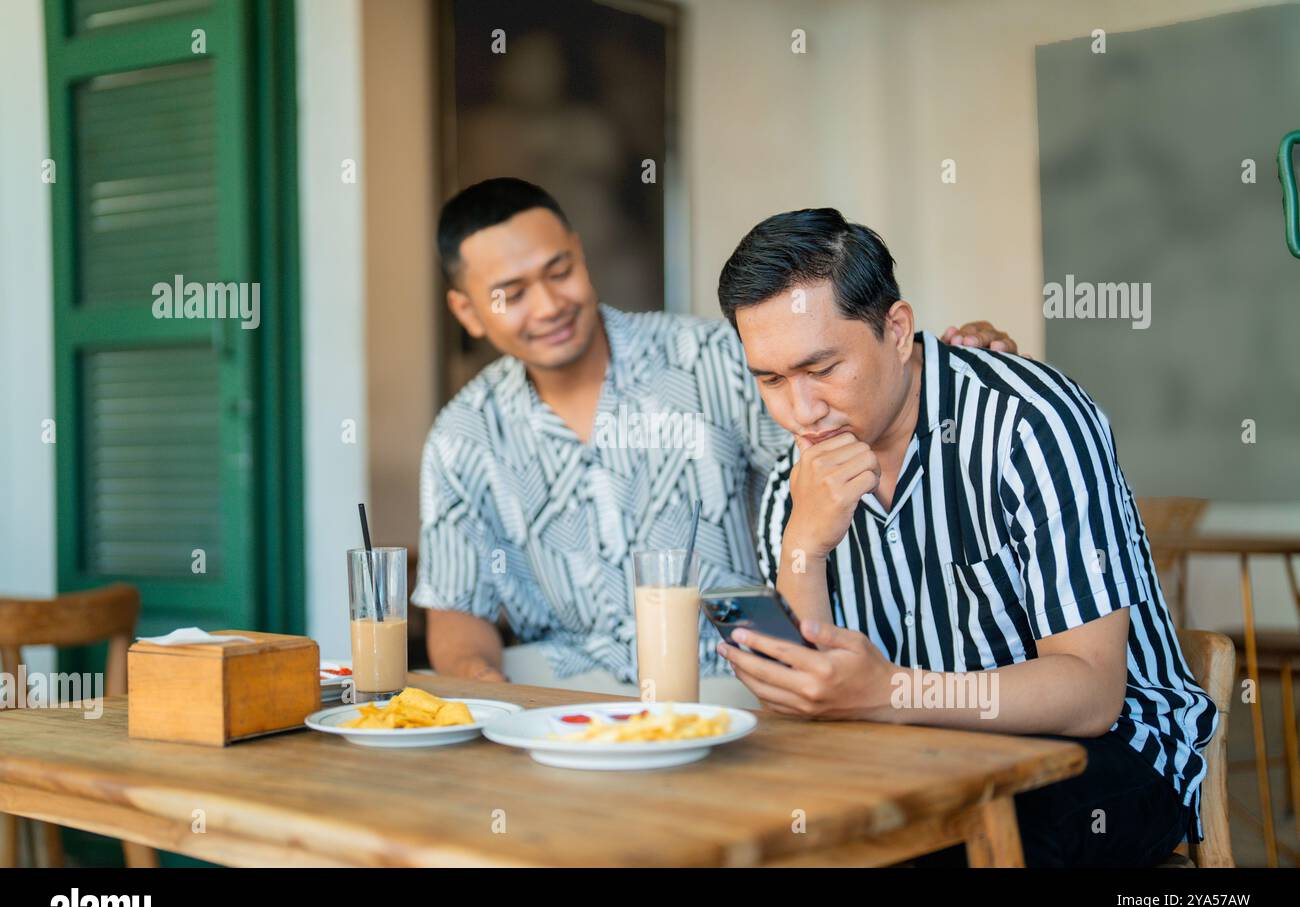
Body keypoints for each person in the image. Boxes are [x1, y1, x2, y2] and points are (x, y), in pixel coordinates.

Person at [715, 207, 1217, 866]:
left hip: (1107, 752)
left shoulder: (1029, 425)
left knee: (933, 848)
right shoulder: (793, 482)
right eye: (771, 379)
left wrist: (890, 692)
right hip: (914, 755)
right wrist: (802, 547)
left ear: (896, 330)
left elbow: (1092, 694)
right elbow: (811, 709)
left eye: (823, 368)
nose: (800, 411)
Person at [412, 178, 1019, 702]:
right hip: (561, 695)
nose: (548, 305)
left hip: (731, 682)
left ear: (581, 254)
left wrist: (939, 370)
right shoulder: (461, 437)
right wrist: (489, 696)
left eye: (559, 270)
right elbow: (457, 612)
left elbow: (841, 438)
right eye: (512, 294)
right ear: (466, 311)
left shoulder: (711, 360)